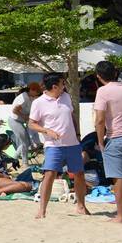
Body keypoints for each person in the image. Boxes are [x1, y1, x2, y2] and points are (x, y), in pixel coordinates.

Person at [29, 75, 89, 219]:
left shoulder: (66, 97)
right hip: (53, 145)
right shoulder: (39, 102)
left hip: (73, 143)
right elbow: (31, 123)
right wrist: (47, 131)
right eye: (62, 83)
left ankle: (81, 206)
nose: (65, 85)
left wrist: (78, 133)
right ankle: (42, 210)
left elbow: (72, 116)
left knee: (79, 174)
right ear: (54, 86)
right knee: (49, 174)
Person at [93, 60, 122, 224]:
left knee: (118, 178)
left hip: (116, 137)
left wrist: (100, 141)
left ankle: (121, 216)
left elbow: (99, 120)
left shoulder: (103, 91)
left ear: (99, 76)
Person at [8, 82, 42, 168]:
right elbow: (15, 111)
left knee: (26, 142)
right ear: (32, 90)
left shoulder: (31, 97)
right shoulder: (23, 98)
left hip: (23, 120)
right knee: (25, 142)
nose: (38, 94)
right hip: (15, 120)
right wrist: (26, 117)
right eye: (37, 92)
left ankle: (13, 159)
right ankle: (24, 162)